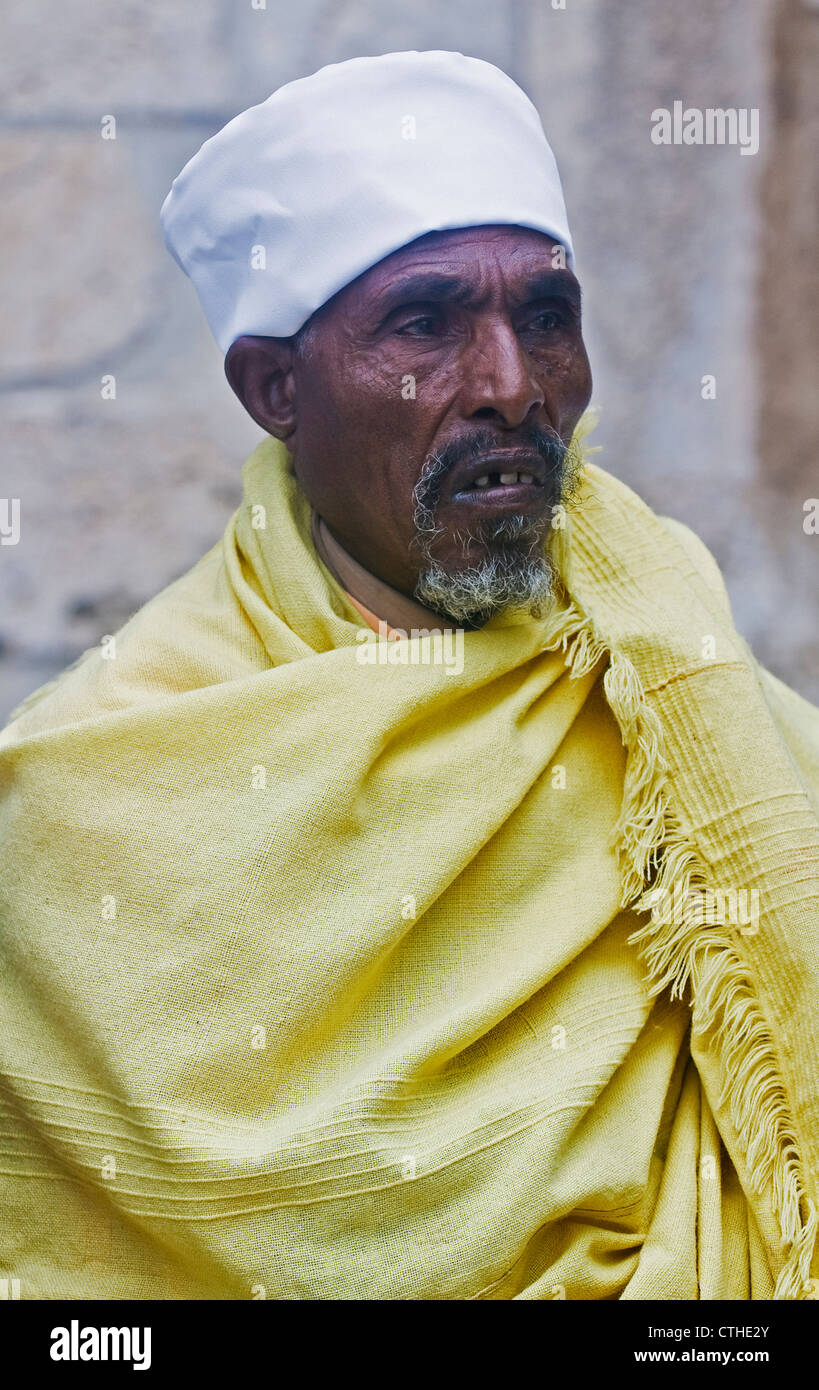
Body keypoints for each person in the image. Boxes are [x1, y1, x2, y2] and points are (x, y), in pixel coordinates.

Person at [1, 50, 817, 1301]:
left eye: (545, 316)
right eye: (426, 326)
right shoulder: (100, 781)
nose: (508, 386)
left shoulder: (675, 671)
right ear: (276, 389)